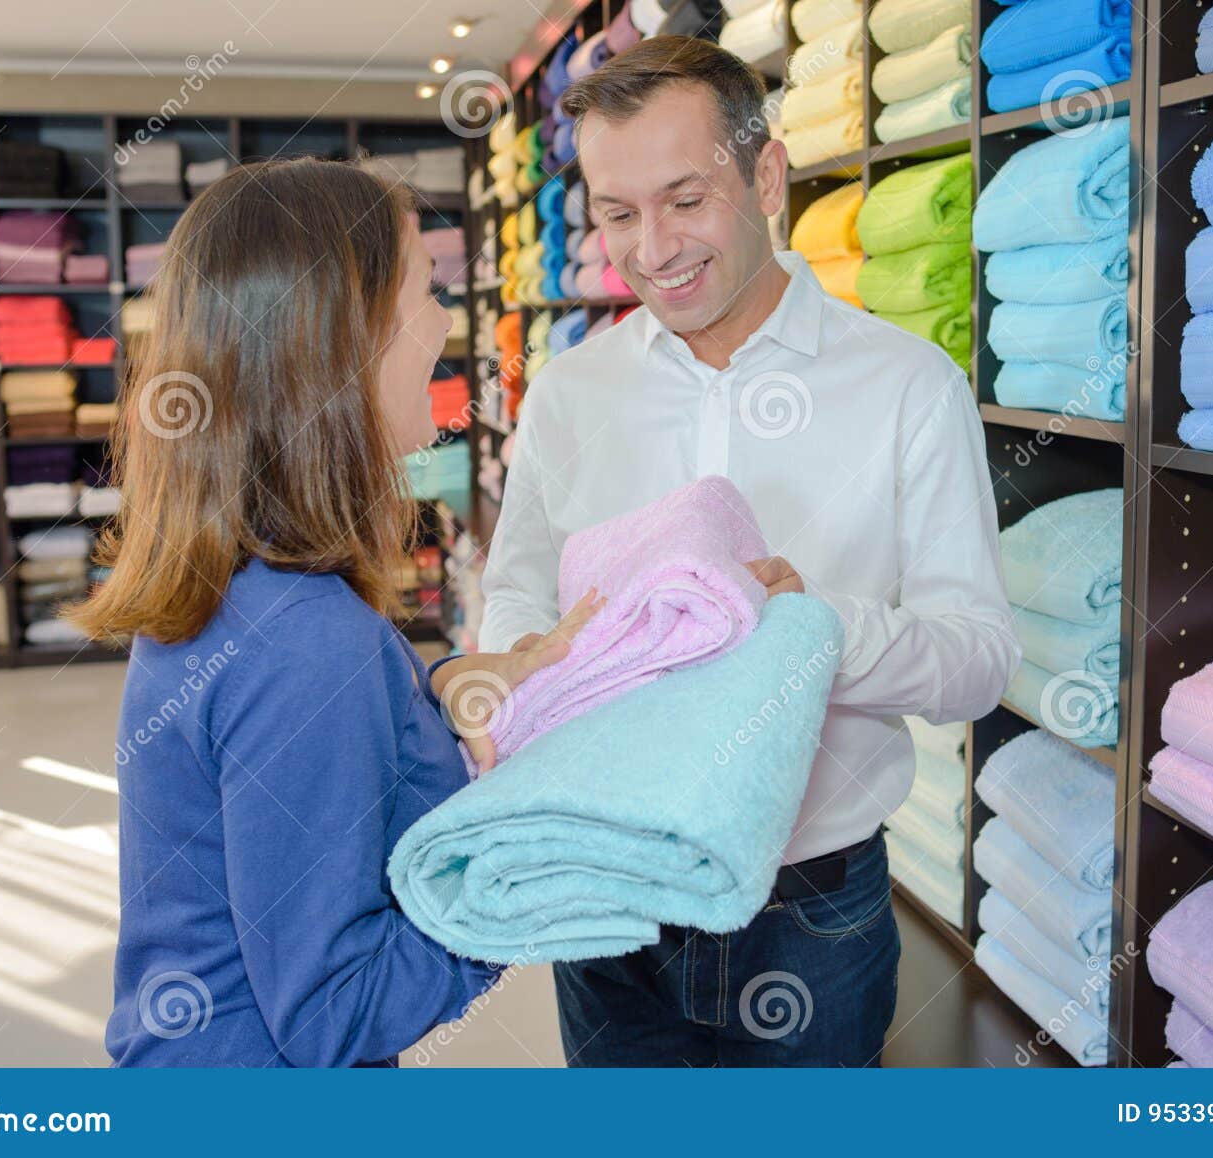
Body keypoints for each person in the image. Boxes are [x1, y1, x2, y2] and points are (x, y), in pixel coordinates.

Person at [475, 38, 1020, 1066]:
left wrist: (806, 631)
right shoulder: (570, 395)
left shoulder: (907, 387)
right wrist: (525, 665)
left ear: (765, 175)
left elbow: (977, 658)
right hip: (609, 887)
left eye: (686, 199)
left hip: (809, 906)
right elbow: (513, 591)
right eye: (616, 213)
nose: (652, 249)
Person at [71, 158, 595, 1066]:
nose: (442, 324)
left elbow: (269, 745)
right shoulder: (311, 647)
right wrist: (533, 872)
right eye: (424, 292)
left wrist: (438, 690)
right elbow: (338, 1013)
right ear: (343, 340)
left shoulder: (241, 588)